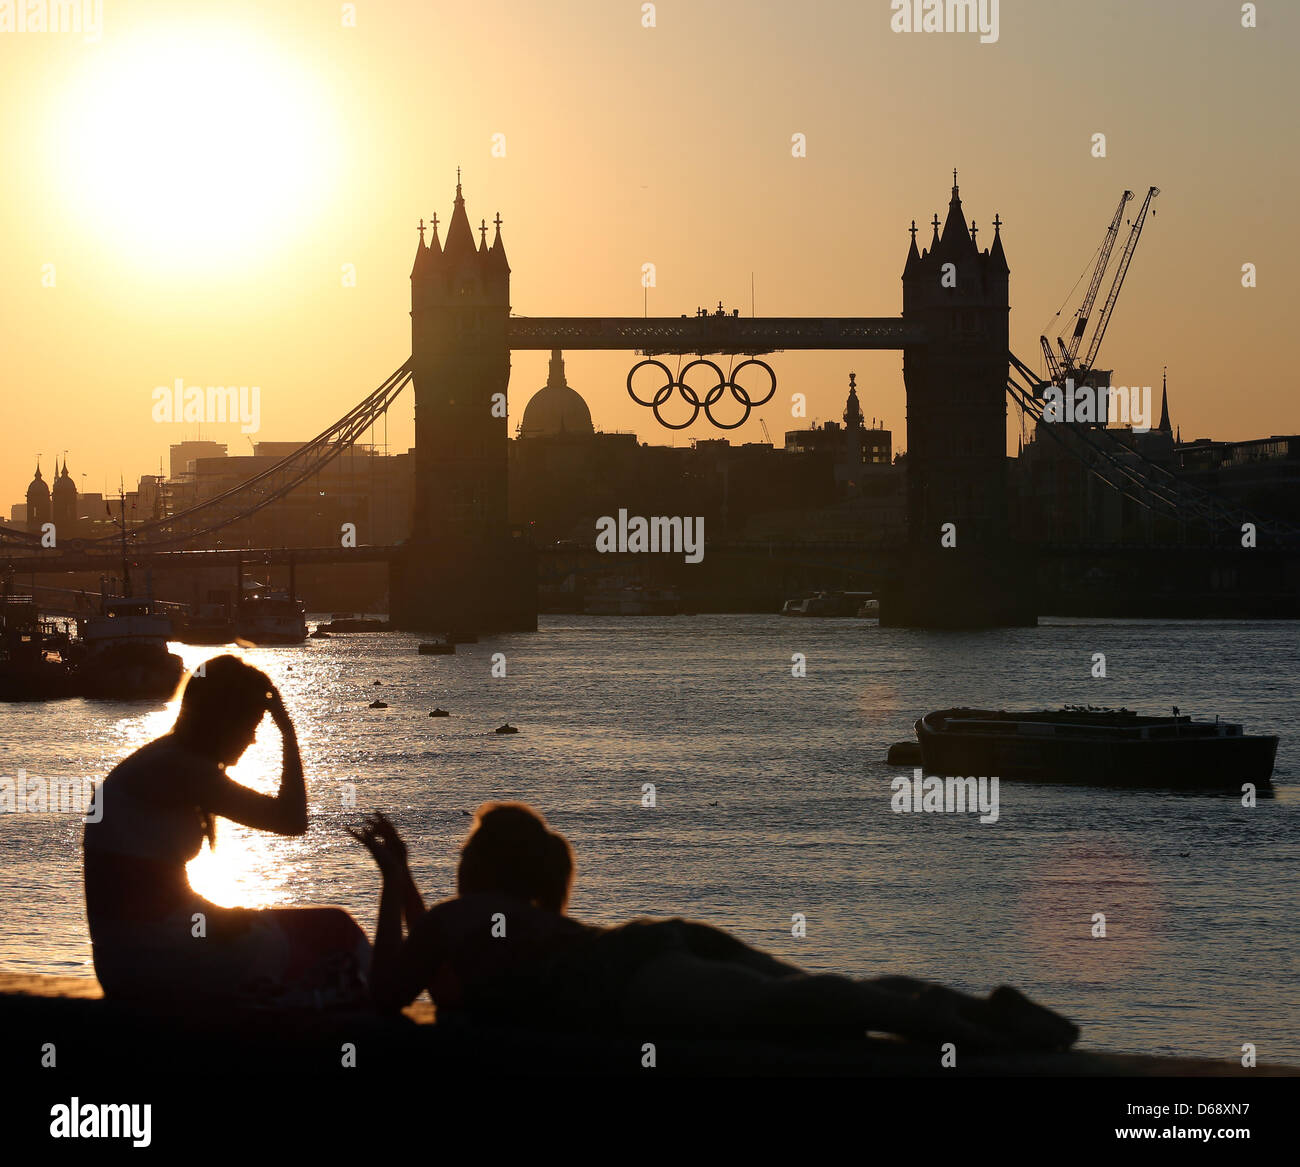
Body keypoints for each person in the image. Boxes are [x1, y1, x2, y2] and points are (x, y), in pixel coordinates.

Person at [350, 804, 1079, 1050]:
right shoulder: (500, 925)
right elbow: (443, 975)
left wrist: (390, 881)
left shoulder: (462, 921)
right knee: (821, 989)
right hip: (659, 940)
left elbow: (390, 993)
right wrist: (406, 879)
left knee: (804, 1007)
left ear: (476, 866)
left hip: (632, 981)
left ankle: (984, 1038)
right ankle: (974, 1002)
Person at [84, 655, 370, 1008]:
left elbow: (152, 886)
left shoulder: (164, 761)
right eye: (251, 724)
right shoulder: (178, 768)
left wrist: (214, 916)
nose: (252, 740)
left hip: (133, 958)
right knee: (333, 931)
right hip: (153, 957)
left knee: (313, 953)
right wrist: (287, 729)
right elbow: (291, 820)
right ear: (222, 719)